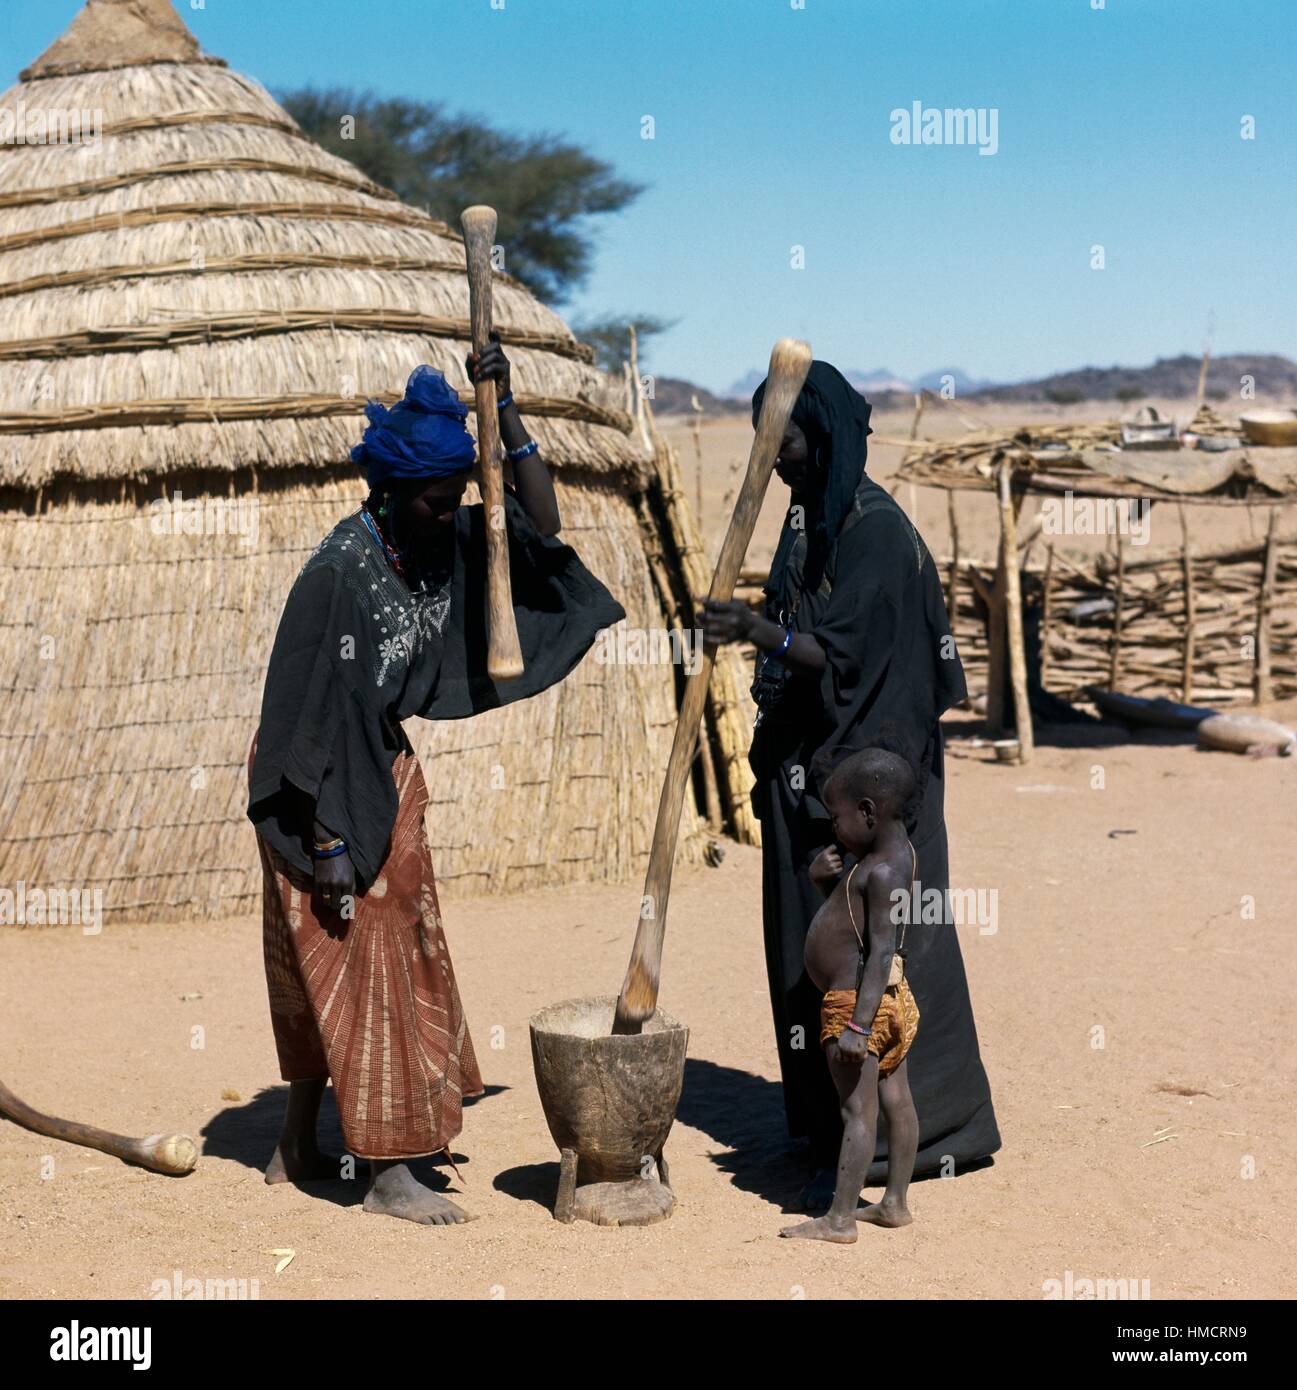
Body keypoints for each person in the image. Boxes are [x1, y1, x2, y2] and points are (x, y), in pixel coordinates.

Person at [247, 343, 624, 1225]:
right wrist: (331, 843)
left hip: (374, 758)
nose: (451, 511)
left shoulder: (430, 534)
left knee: (380, 949)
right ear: (389, 490)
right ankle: (384, 1173)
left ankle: (297, 1142)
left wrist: (508, 411)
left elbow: (538, 525)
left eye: (457, 495)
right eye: (436, 497)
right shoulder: (343, 574)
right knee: (349, 959)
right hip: (312, 778)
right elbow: (309, 716)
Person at [700, 360, 999, 1209]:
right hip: (817, 782)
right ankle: (832, 1130)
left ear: (823, 437)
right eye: (764, 442)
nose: (775, 461)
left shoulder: (875, 535)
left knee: (885, 962)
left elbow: (849, 656)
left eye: (784, 441)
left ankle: (927, 1137)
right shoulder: (809, 523)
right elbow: (801, 629)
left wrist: (755, 630)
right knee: (817, 955)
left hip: (877, 792)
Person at [780, 748, 920, 1243]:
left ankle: (839, 1220)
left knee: (856, 1110)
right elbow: (859, 929)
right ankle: (895, 1204)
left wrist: (858, 1027)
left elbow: (878, 952)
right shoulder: (895, 858)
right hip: (892, 999)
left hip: (857, 1005)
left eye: (837, 816)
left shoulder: (879, 873)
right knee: (895, 1099)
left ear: (867, 811)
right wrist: (826, 883)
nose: (834, 827)